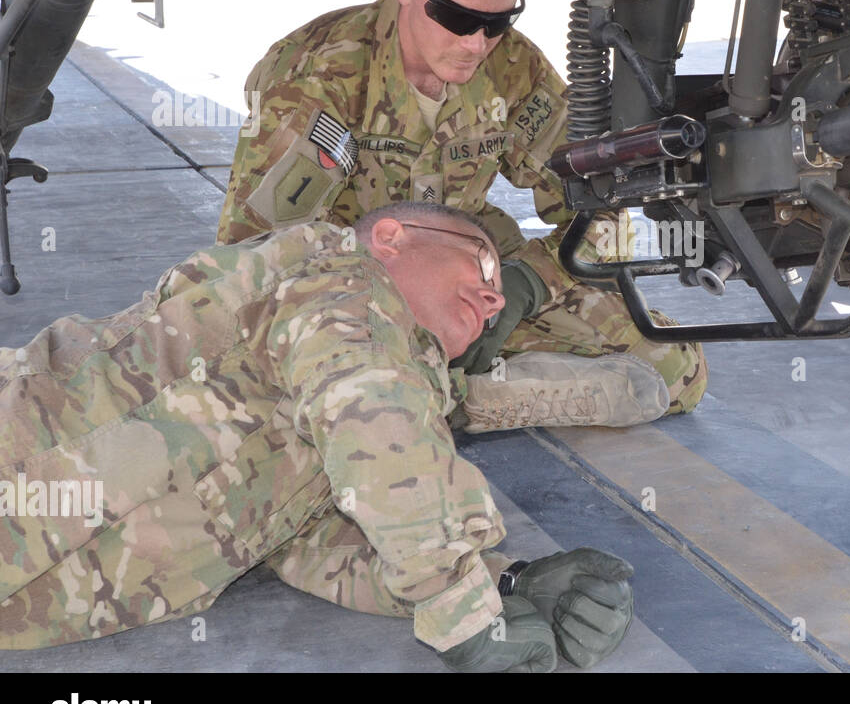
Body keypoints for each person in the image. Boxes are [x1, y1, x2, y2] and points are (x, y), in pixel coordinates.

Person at [0, 202, 659, 671]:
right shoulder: (334, 279)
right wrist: (459, 607)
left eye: (496, 301)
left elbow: (311, 543)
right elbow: (372, 407)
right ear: (392, 236)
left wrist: (506, 583)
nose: (493, 302)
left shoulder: (332, 405)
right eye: (482, 266)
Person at [215, 0, 708, 415]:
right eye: (456, 18)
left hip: (473, 277)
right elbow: (254, 259)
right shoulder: (321, 76)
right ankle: (436, 392)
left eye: (497, 21)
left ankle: (425, 396)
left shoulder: (512, 68)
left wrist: (524, 287)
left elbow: (605, 214)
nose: (476, 44)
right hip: (350, 289)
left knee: (673, 367)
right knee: (264, 380)